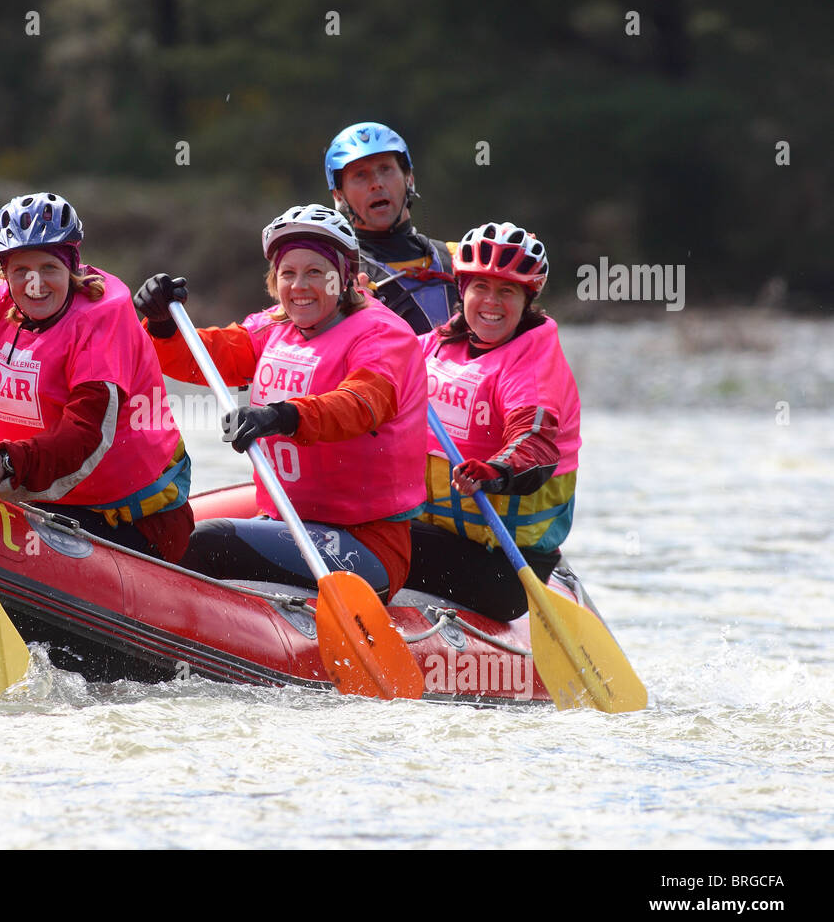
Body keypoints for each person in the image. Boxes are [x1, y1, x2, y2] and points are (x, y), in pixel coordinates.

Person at [0, 159, 194, 563]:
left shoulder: (101, 318)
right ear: (4, 273)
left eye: (49, 267)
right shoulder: (1, 304)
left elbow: (86, 437)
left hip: (131, 520)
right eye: (21, 271)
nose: (35, 283)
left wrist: (6, 463)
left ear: (71, 267)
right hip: (41, 493)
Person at [135, 204, 428, 600]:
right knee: (168, 534)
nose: (299, 286)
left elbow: (359, 404)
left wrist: (283, 415)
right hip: (285, 523)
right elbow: (206, 357)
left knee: (207, 542)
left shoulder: (384, 336)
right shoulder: (275, 326)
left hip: (364, 545)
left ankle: (161, 656)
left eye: (315, 273)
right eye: (288, 273)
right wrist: (164, 325)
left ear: (342, 278)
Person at [405, 222, 581, 622]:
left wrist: (493, 471)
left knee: (369, 542)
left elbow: (535, 446)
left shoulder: (532, 366)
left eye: (507, 291)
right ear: (462, 290)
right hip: (440, 535)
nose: (492, 302)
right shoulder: (436, 346)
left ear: (526, 299)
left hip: (505, 566)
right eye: (480, 287)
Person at [325, 121, 459, 335]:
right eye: (360, 174)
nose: (376, 183)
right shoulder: (339, 278)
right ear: (338, 195)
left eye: (386, 169)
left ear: (409, 178)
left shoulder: (460, 258)